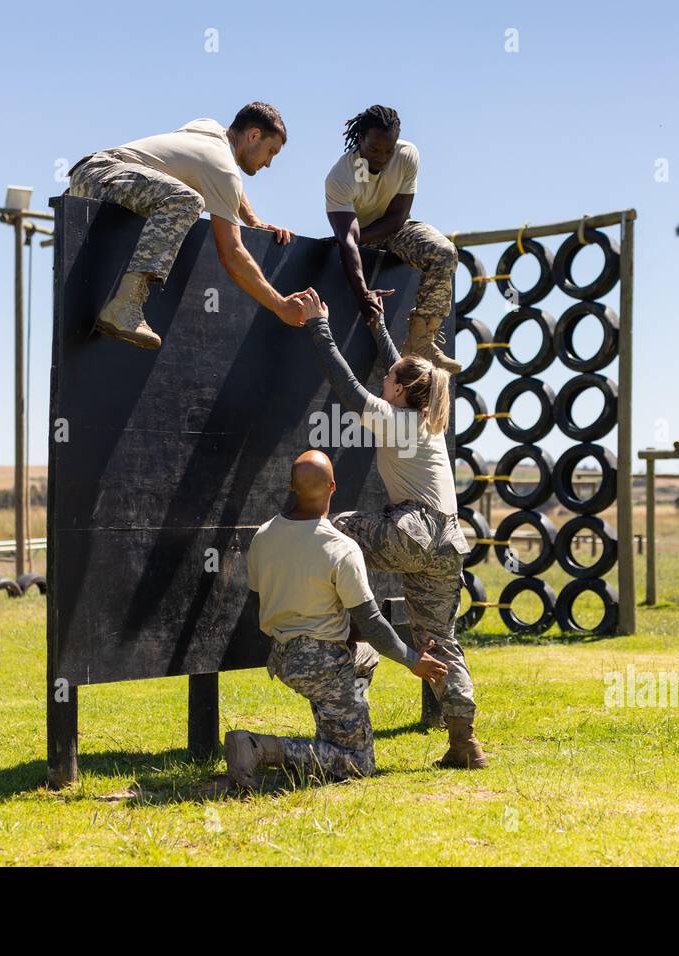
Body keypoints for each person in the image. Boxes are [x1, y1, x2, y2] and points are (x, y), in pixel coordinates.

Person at [295, 287, 487, 769]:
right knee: (440, 640)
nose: (384, 380)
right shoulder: (428, 419)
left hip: (414, 529)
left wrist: (320, 326)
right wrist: (377, 323)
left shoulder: (395, 419)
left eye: (390, 380)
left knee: (335, 528)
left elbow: (347, 388)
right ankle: (465, 743)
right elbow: (402, 366)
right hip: (448, 542)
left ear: (400, 391)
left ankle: (340, 629)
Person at [227, 450, 448, 788]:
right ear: (332, 487)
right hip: (322, 662)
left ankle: (333, 735)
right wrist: (412, 660)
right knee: (360, 764)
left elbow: (262, 593)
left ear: (290, 486)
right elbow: (371, 622)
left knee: (366, 658)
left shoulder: (264, 535)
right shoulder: (340, 547)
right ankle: (257, 747)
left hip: (284, 656)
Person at [66, 102, 309, 349]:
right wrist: (280, 305)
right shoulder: (223, 170)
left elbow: (222, 179)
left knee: (184, 197)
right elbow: (232, 254)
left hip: (98, 171)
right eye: (271, 151)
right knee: (188, 201)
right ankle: (125, 305)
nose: (268, 162)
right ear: (254, 135)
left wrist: (253, 221)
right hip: (103, 175)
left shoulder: (208, 128)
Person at [324, 105, 461, 374]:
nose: (381, 158)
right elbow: (349, 240)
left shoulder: (408, 155)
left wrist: (351, 239)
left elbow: (398, 217)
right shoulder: (340, 177)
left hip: (392, 229)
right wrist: (363, 295)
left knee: (445, 252)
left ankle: (421, 340)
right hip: (359, 237)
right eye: (374, 149)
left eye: (389, 150)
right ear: (360, 138)